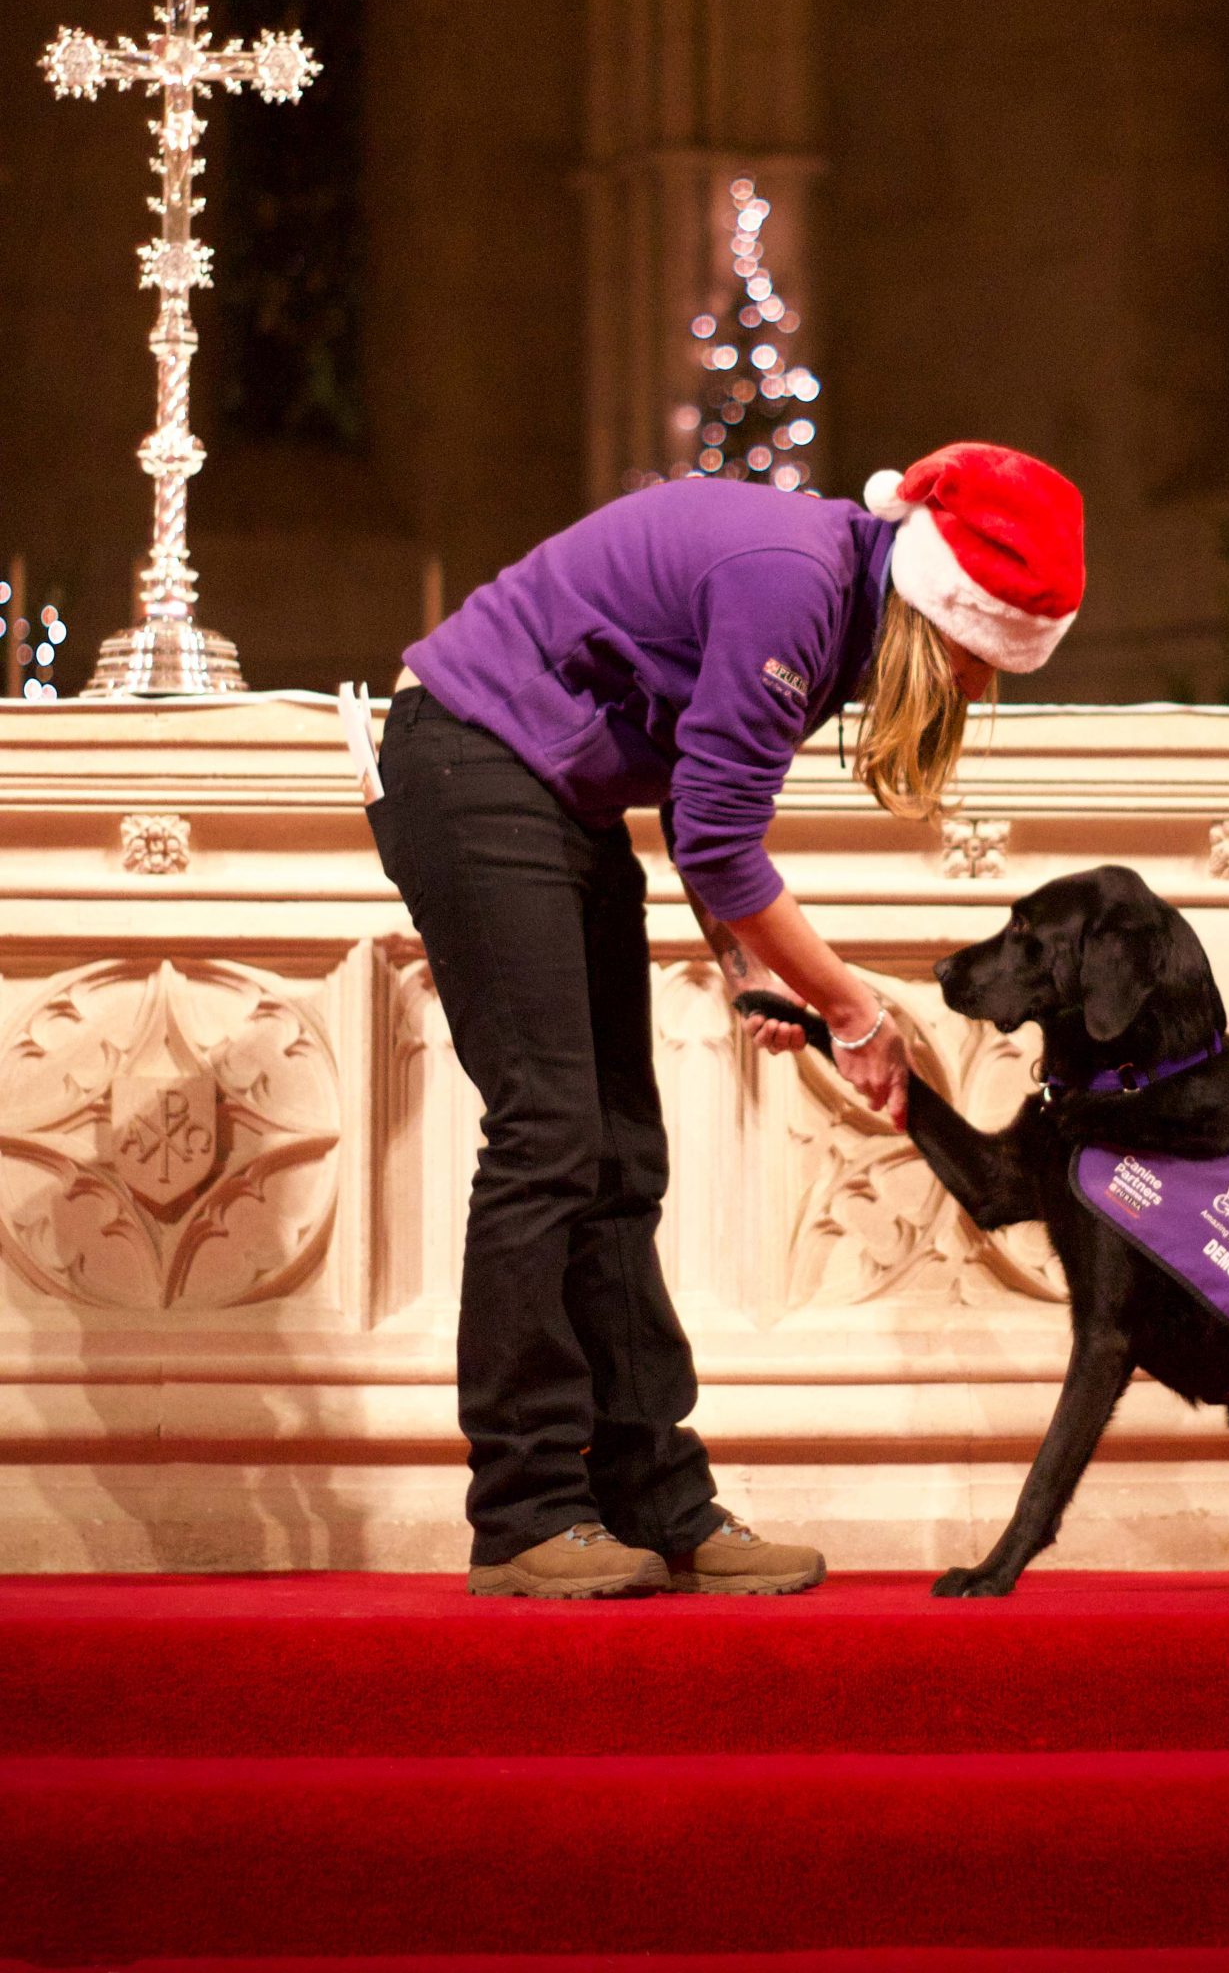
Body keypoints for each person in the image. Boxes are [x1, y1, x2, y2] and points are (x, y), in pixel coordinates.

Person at [367, 441, 1085, 1599]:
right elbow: (713, 837)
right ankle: (523, 1513)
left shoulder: (841, 604)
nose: (976, 687)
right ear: (940, 604)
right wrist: (854, 1009)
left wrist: (747, 963)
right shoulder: (794, 585)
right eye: (977, 656)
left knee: (620, 1153)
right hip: (469, 758)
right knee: (550, 1134)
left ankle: (658, 1501)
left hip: (549, 790)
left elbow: (702, 800)